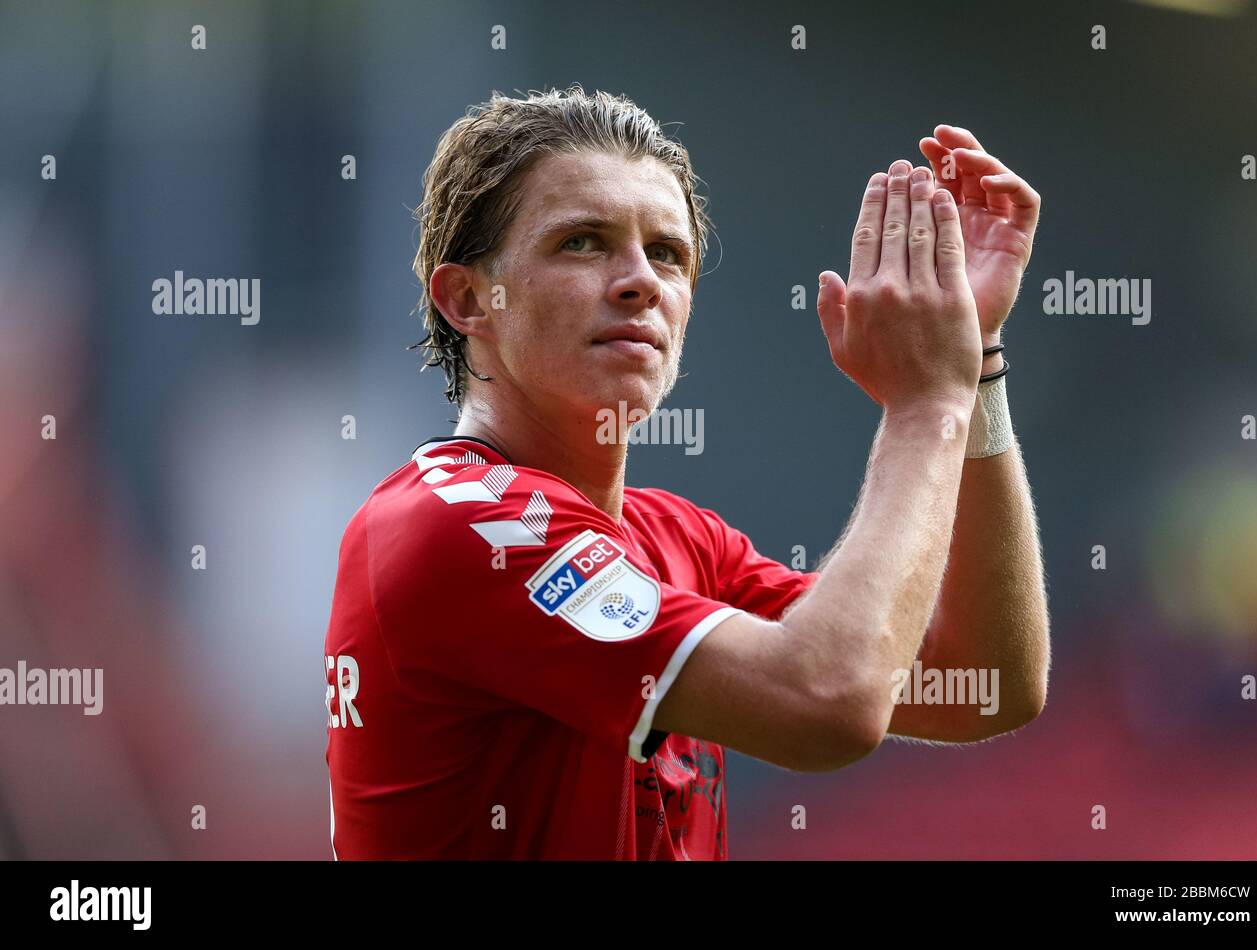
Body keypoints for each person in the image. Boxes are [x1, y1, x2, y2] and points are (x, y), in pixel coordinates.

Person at [324, 86, 1050, 860]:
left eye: (667, 253)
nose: (640, 281)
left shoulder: (678, 539)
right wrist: (923, 404)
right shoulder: (464, 523)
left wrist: (975, 372)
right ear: (468, 299)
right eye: (583, 242)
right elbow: (827, 699)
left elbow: (982, 685)